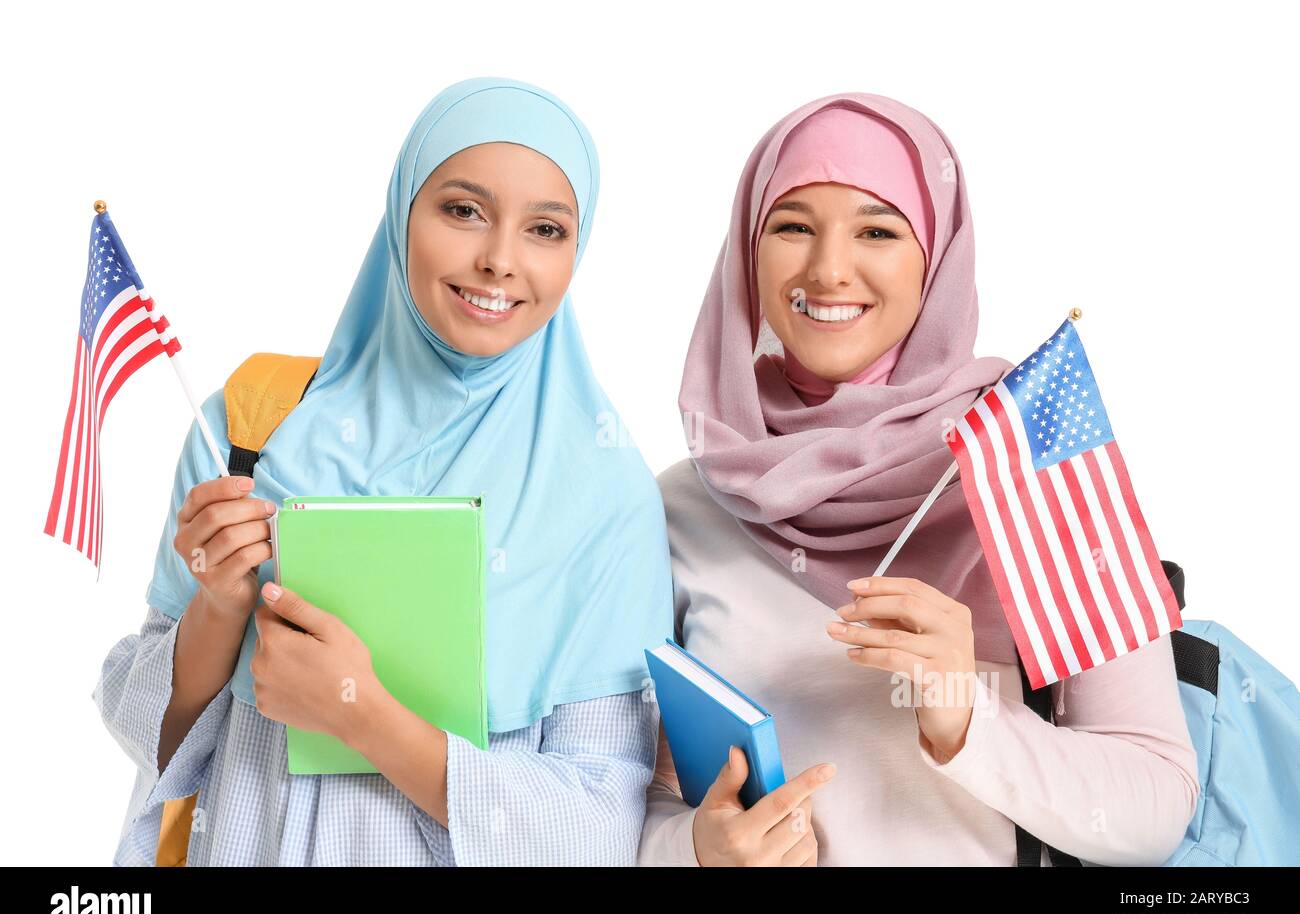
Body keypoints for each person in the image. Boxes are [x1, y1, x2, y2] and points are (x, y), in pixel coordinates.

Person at [94, 76, 673, 866]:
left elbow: (596, 829)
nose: (500, 260)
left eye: (545, 229)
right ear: (403, 213)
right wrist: (214, 613)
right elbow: (139, 736)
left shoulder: (604, 493)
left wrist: (362, 715)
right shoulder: (247, 430)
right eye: (463, 210)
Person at [638, 94, 1199, 866]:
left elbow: (1156, 804)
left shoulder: (1031, 463)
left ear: (937, 255)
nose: (830, 268)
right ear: (747, 250)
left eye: (878, 230)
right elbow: (616, 798)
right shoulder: (679, 509)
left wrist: (968, 718)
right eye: (792, 226)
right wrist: (691, 851)